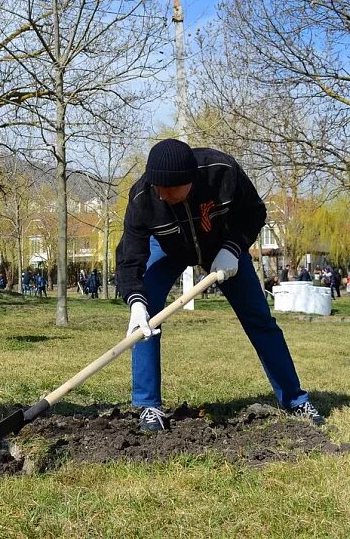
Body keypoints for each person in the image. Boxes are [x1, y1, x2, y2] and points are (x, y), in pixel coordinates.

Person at [116, 139, 324, 433]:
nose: (161, 194)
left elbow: (254, 213)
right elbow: (130, 258)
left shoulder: (222, 171)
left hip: (223, 247)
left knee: (260, 320)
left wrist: (233, 248)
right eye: (157, 187)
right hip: (167, 248)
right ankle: (149, 405)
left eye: (169, 189)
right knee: (145, 319)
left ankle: (295, 399)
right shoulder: (143, 198)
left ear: (189, 179)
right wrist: (136, 300)